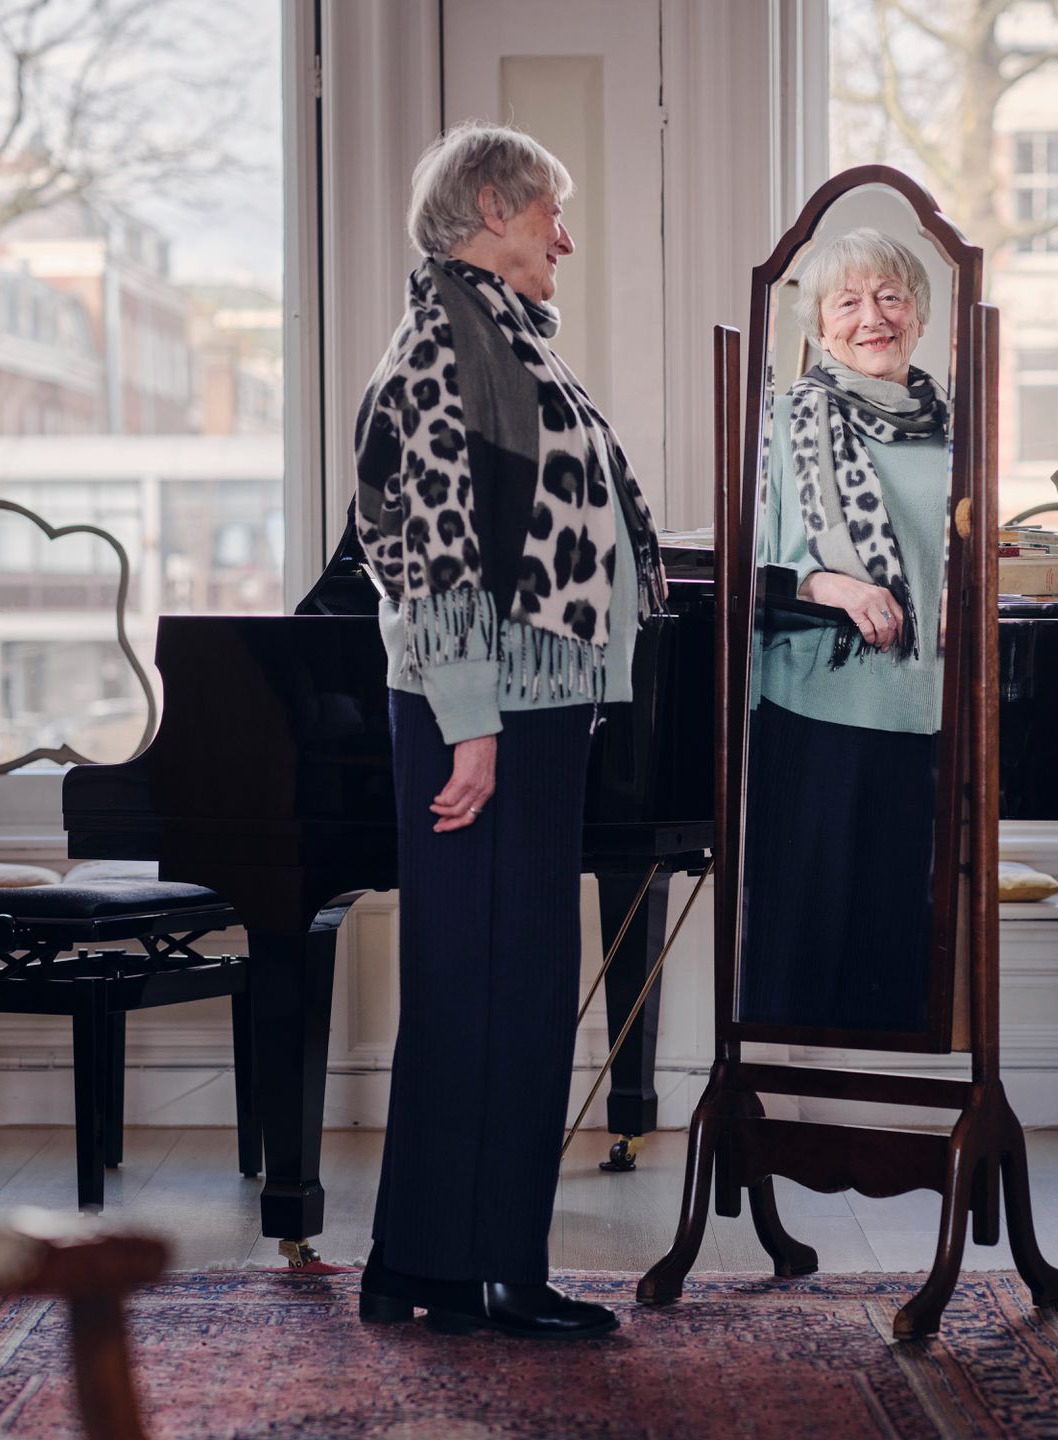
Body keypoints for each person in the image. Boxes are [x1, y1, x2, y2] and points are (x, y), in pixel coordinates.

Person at [348, 121, 664, 1340]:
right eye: (548, 216)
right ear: (489, 204)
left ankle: (472, 1265)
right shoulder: (444, 340)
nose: (563, 239)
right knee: (480, 986)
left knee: (518, 992)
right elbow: (422, 543)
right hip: (477, 710)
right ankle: (448, 1266)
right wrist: (470, 725)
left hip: (524, 705)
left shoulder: (501, 335)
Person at [739, 228, 950, 1034]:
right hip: (813, 713)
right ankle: (788, 1132)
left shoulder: (959, 429)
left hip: (929, 718)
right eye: (849, 301)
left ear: (919, 316)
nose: (873, 318)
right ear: (819, 325)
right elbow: (751, 560)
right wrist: (827, 580)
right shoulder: (784, 418)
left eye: (892, 297)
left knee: (898, 967)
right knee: (802, 958)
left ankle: (879, 1133)